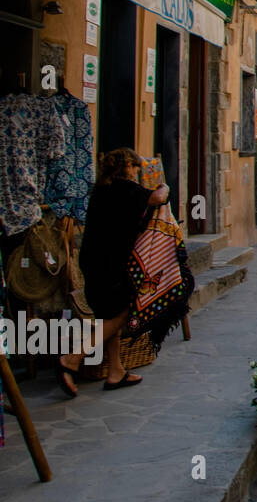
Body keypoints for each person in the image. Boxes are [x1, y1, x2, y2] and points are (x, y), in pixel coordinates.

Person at [57, 149, 171, 395]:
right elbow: (157, 197)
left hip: (93, 260)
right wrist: (164, 185)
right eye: (136, 168)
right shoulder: (125, 189)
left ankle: (116, 371)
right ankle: (73, 358)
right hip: (112, 263)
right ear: (127, 167)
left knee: (108, 316)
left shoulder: (101, 189)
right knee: (123, 313)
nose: (138, 173)